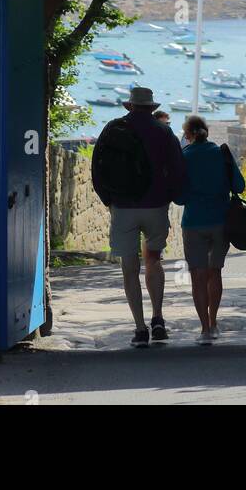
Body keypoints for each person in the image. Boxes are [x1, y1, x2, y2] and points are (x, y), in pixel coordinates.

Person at [91, 86, 186, 348]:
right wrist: (173, 196)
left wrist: (108, 200)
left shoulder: (113, 128)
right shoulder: (164, 132)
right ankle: (158, 318)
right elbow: (178, 170)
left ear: (129, 106)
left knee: (129, 267)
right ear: (152, 108)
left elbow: (97, 166)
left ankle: (140, 328)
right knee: (154, 260)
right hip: (155, 205)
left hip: (122, 206)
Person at [176, 115, 245, 345]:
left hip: (194, 222)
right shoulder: (222, 153)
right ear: (206, 131)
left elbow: (178, 197)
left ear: (188, 135)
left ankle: (204, 329)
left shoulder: (184, 157)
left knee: (197, 276)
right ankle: (214, 323)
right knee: (214, 272)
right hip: (219, 221)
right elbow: (239, 186)